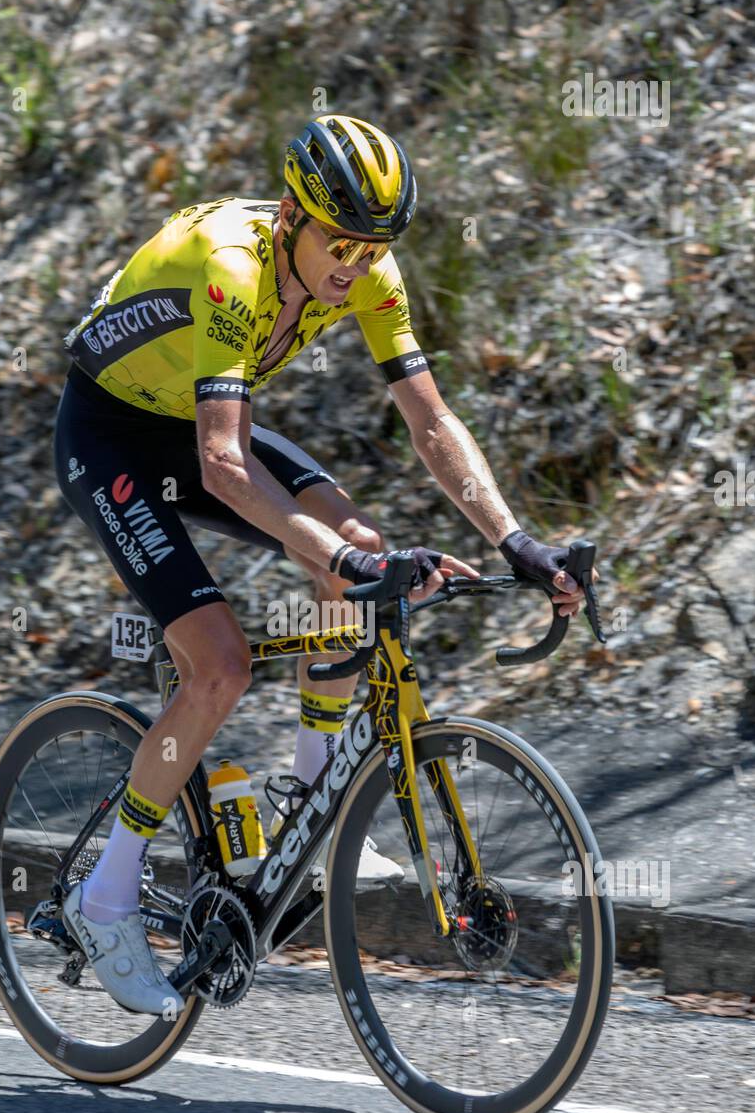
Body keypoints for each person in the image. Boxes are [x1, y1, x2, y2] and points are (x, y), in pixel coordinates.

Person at [54, 113, 586, 1015]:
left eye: (372, 243)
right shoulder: (231, 267)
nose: (353, 261)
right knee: (217, 665)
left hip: (193, 418)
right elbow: (224, 466)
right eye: (338, 238)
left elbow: (430, 421)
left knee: (364, 555)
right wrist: (327, 550)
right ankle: (104, 897)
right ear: (293, 218)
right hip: (110, 433)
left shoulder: (370, 273)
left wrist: (515, 541)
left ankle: (306, 799)